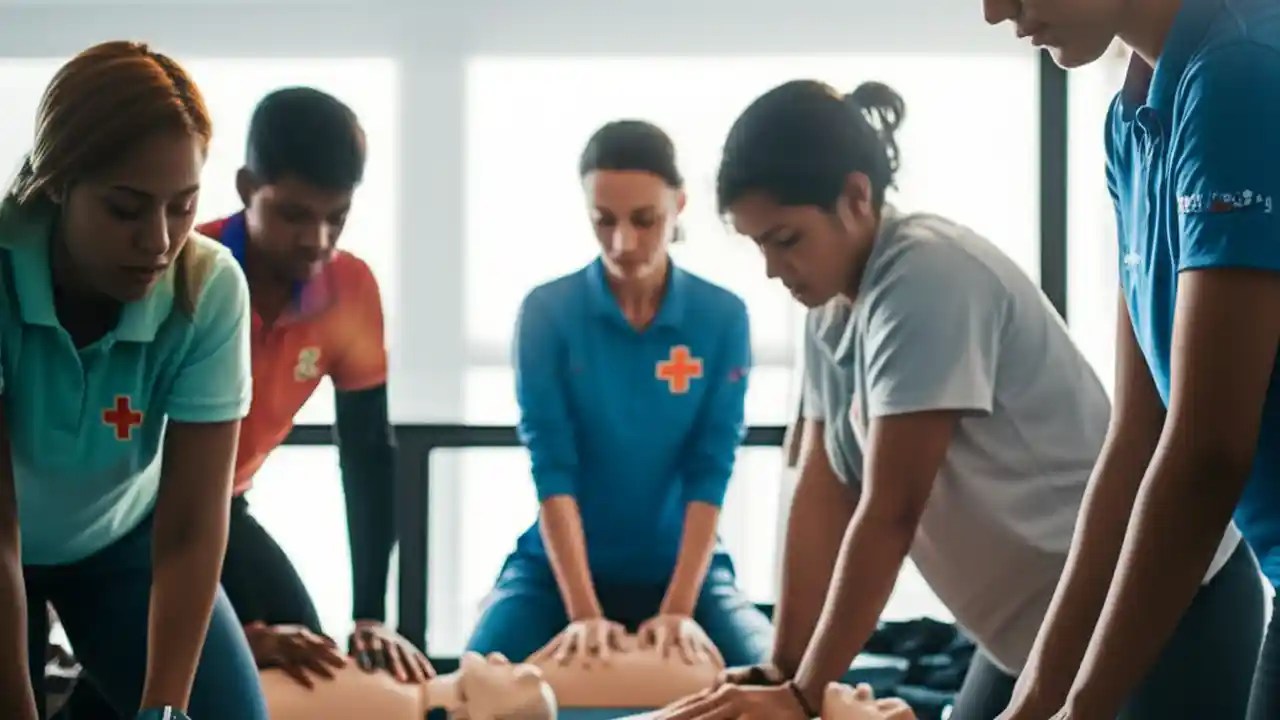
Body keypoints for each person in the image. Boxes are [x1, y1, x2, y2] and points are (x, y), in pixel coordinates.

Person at [655, 78, 1263, 720]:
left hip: (1167, 607)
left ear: (856, 197)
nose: (773, 270)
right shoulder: (830, 309)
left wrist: (806, 695)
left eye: (786, 240)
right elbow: (822, 487)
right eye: (757, 246)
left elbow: (890, 510)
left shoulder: (925, 277)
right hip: (1023, 642)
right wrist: (783, 672)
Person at [982, 0, 1280, 718]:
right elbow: (1140, 432)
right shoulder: (1133, 119)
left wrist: (1080, 711)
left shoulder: (1243, 71)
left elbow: (1208, 452)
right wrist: (1035, 702)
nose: (995, 10)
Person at [0, 41, 267, 720]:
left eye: (182, 207)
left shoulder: (208, 287)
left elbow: (191, 526)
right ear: (59, 183)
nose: (158, 240)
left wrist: (167, 709)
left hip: (121, 543)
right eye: (126, 209)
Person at [463, 120, 774, 670]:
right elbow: (552, 466)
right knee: (468, 688)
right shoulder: (547, 312)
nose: (623, 243)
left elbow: (712, 466)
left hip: (686, 573)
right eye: (603, 221)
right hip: (553, 574)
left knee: (775, 675)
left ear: (679, 205)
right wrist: (584, 614)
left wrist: (678, 610)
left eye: (645, 220)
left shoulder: (722, 317)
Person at [198, 87, 431, 687]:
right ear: (248, 188)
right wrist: (242, 637)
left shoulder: (350, 290)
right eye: (295, 214)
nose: (317, 240)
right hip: (137, 510)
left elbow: (366, 453)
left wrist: (371, 614)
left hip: (225, 503)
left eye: (337, 217)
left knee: (313, 654)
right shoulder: (185, 271)